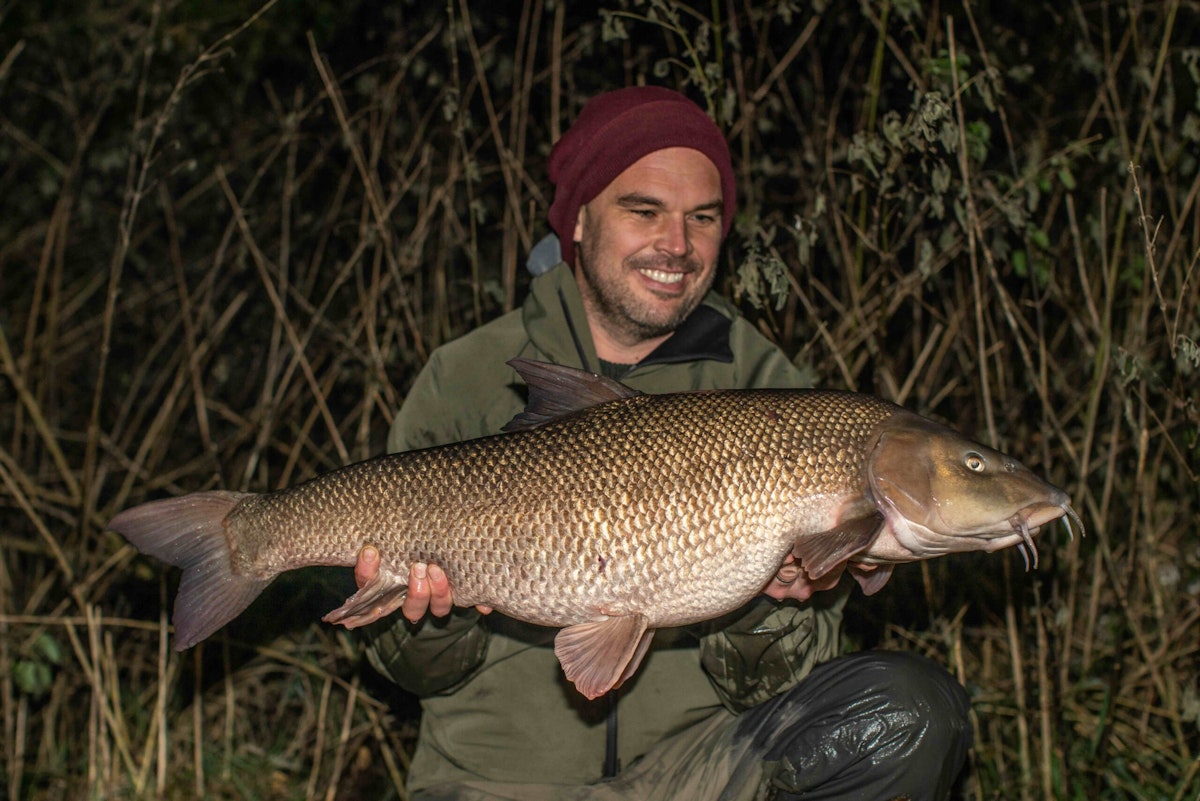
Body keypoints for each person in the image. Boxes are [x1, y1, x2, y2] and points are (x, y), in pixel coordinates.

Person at [355, 86, 971, 800]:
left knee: (909, 713)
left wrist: (779, 598)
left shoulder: (768, 386)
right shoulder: (464, 377)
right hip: (493, 781)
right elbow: (407, 671)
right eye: (643, 209)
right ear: (578, 220)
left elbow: (776, 683)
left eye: (702, 218)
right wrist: (427, 618)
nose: (676, 244)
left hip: (699, 773)